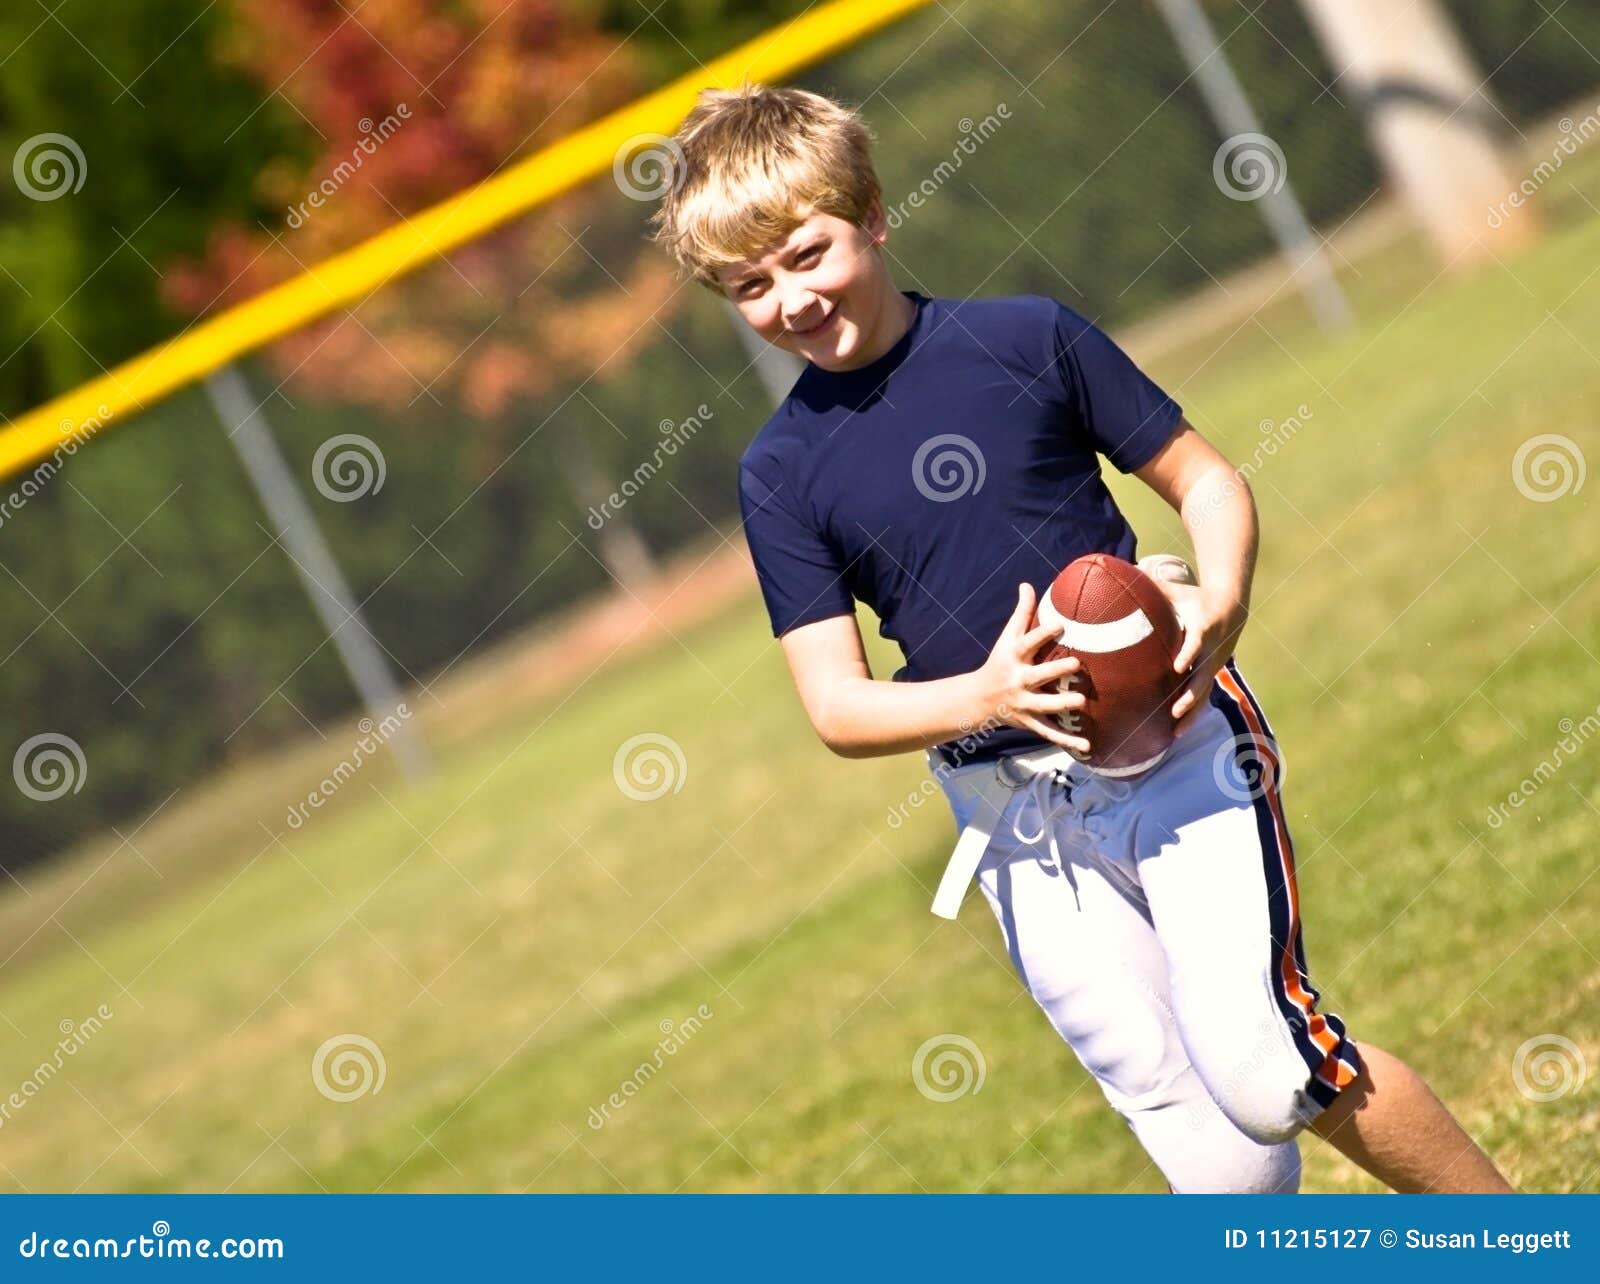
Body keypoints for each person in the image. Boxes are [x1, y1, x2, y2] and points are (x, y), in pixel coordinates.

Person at [648, 82, 1513, 1195]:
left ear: (868, 214)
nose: (789, 301)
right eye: (748, 289)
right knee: (1220, 1171)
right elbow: (836, 707)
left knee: (1261, 1070)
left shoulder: (1024, 338)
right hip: (1013, 817)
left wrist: (1223, 594)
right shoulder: (778, 471)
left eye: (806, 255)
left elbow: (1204, 480)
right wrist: (990, 696)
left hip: (1177, 748)